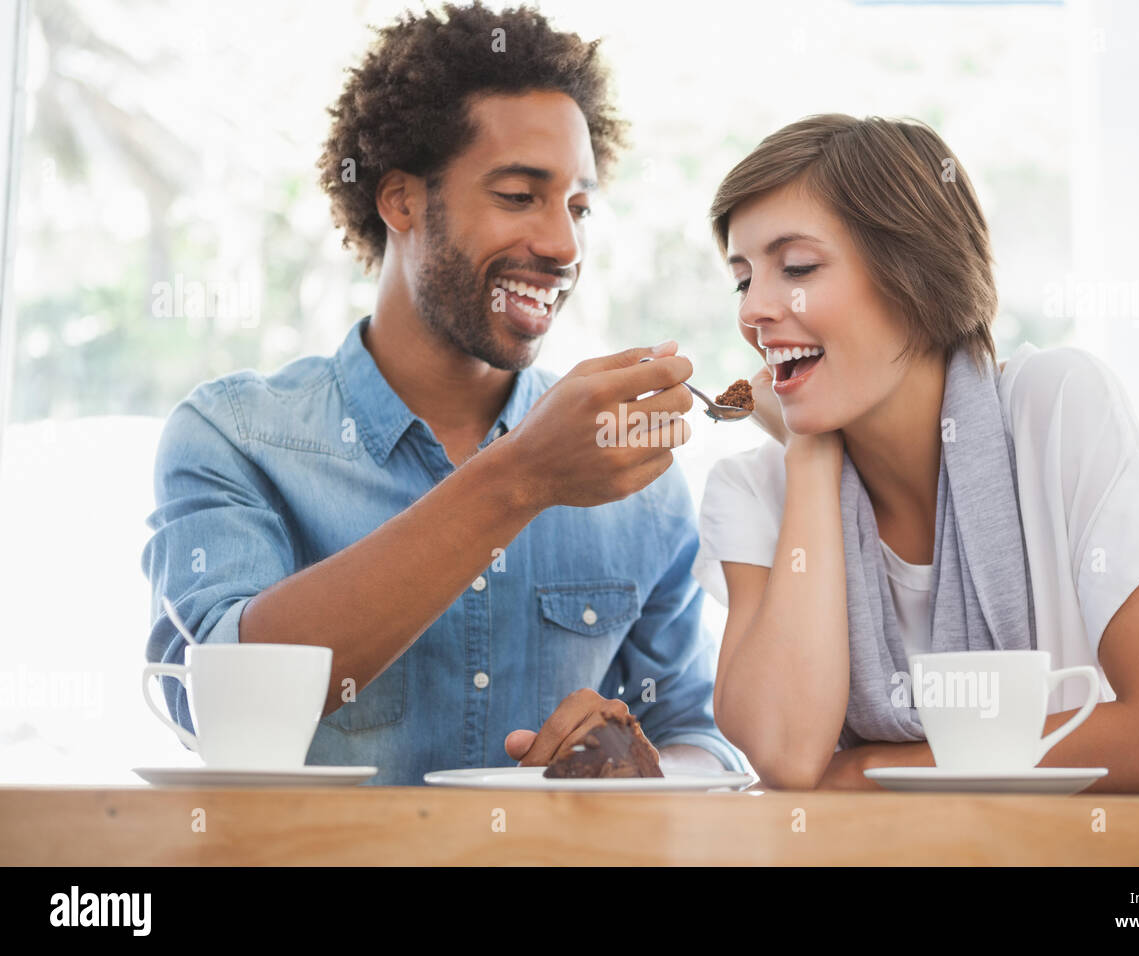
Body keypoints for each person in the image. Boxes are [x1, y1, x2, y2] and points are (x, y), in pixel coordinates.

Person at [141, 2, 742, 784]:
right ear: (401, 202)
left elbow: (693, 731)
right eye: (520, 196)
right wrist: (521, 478)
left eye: (579, 206)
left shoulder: (636, 487)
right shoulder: (235, 437)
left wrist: (639, 771)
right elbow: (221, 707)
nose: (564, 245)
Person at [692, 113, 1139, 793]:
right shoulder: (753, 489)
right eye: (743, 279)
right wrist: (810, 453)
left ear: (914, 272)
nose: (754, 311)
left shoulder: (1055, 410)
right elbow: (789, 755)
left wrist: (878, 769)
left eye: (797, 267)